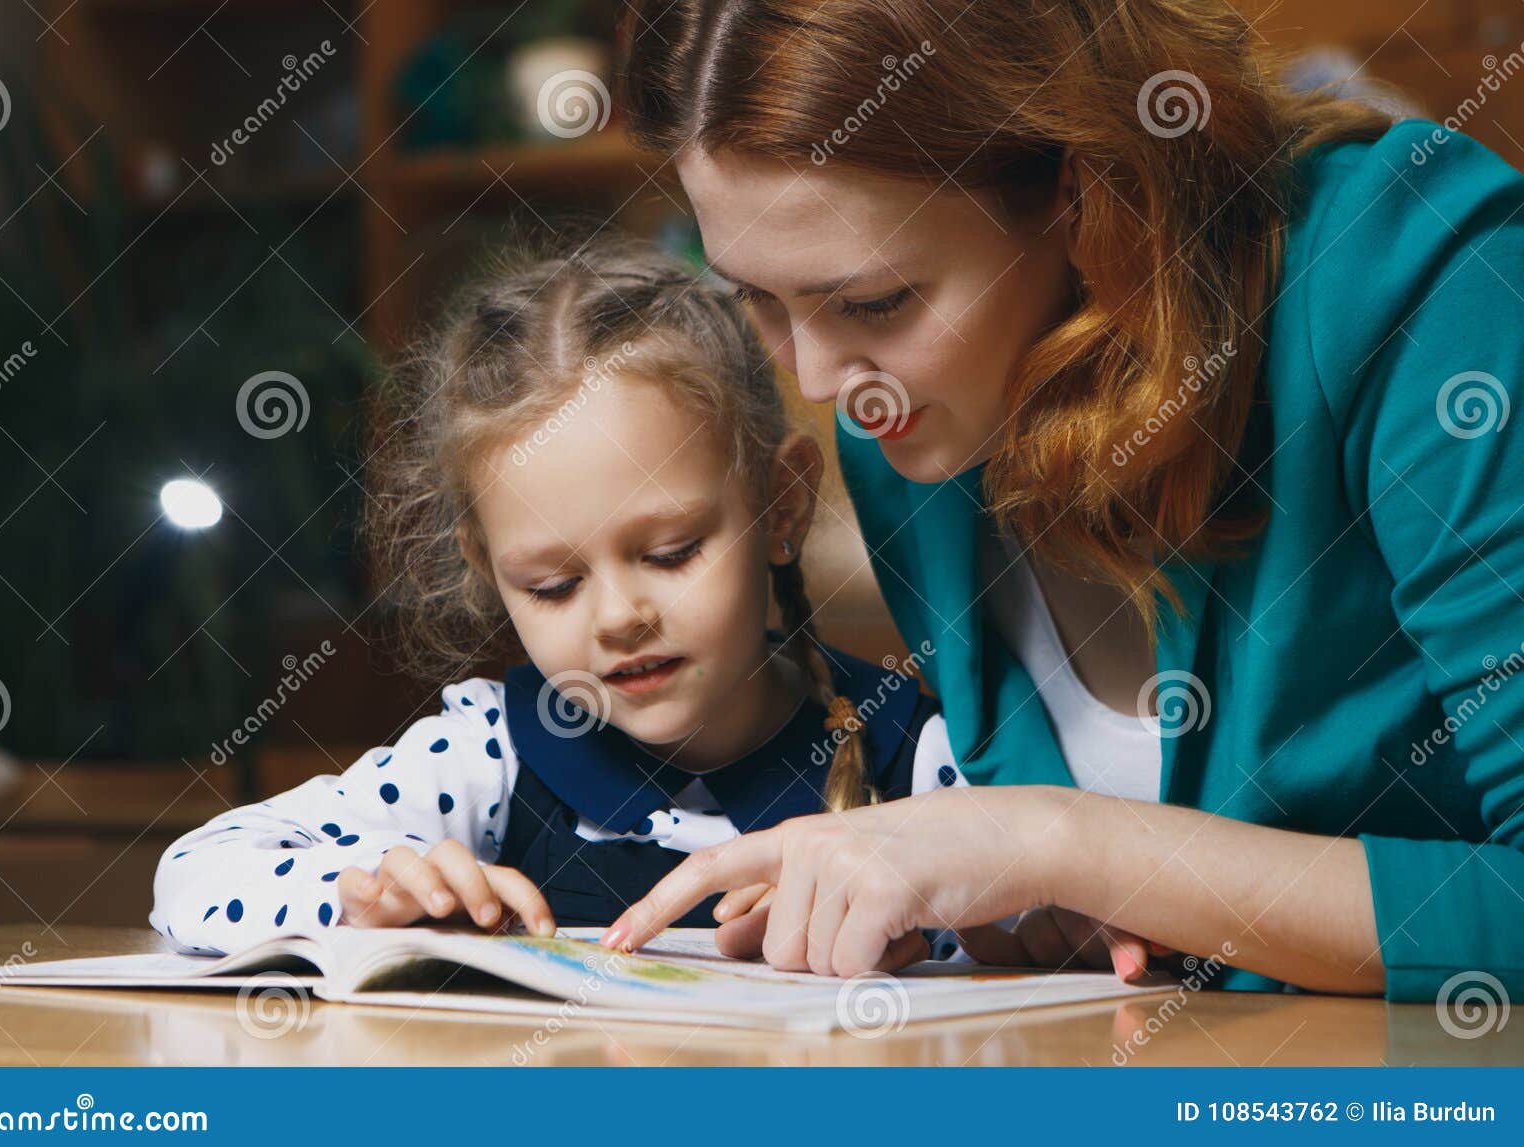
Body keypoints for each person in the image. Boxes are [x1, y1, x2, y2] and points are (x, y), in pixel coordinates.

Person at [604, 0, 1524, 1001]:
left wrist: (1053, 840)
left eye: (874, 302)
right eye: (758, 296)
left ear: (1086, 191)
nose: (823, 383)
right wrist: (1022, 914)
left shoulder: (1424, 277)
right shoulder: (907, 441)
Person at [148, 232, 966, 964]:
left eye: (671, 551)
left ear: (781, 504)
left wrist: (912, 917)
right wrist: (363, 894)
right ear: (488, 567)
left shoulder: (912, 752)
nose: (618, 617)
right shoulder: (492, 754)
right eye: (553, 585)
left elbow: (1052, 919)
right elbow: (193, 871)